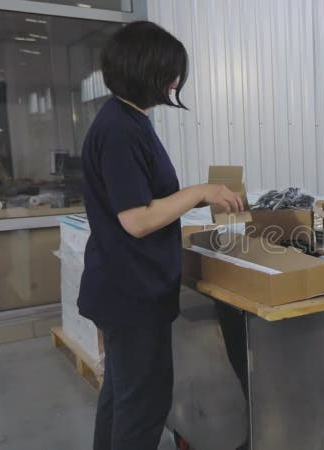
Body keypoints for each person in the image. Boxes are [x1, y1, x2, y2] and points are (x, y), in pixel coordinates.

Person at [78, 21, 243, 450]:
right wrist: (199, 191)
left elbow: (148, 200)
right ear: (144, 71)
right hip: (131, 293)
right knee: (143, 407)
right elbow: (136, 219)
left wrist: (202, 199)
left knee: (120, 397)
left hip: (124, 287)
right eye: (171, 73)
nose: (175, 82)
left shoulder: (128, 120)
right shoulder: (120, 129)